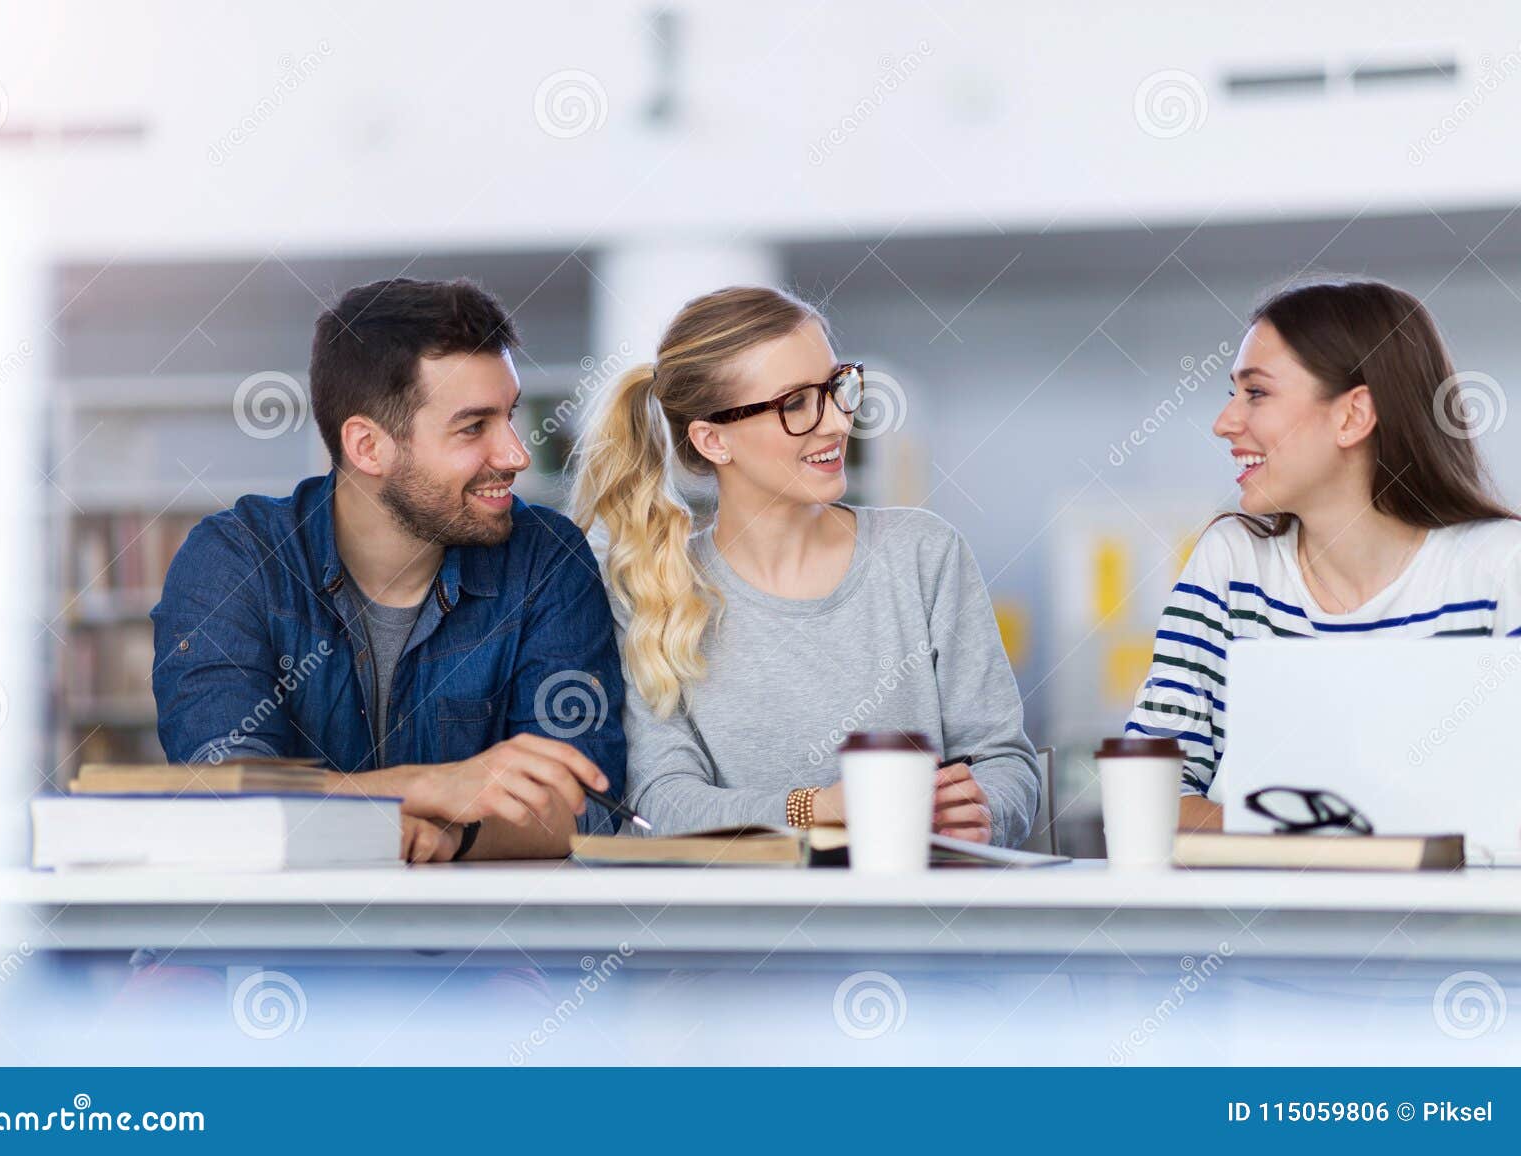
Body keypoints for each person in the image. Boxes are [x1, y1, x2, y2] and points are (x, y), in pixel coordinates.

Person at [152, 277, 625, 860]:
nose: (516, 454)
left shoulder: (546, 560)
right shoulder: (235, 561)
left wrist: (448, 837)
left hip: (481, 944)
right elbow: (221, 798)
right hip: (272, 940)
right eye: (474, 427)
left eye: (509, 416)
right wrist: (427, 788)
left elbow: (586, 810)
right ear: (368, 447)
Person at [570, 286, 1039, 844]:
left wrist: (987, 810)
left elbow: (1005, 760)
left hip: (917, 919)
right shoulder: (652, 592)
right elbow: (663, 805)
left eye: (837, 389)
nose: (839, 423)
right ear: (713, 439)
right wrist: (819, 808)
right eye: (796, 405)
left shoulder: (923, 553)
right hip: (744, 927)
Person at [1126, 278, 1521, 832]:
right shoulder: (1232, 565)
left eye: (1256, 393)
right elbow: (1143, 800)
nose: (1225, 423)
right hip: (1257, 919)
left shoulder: (1502, 569)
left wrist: (1292, 834)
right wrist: (1329, 844)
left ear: (1353, 415)